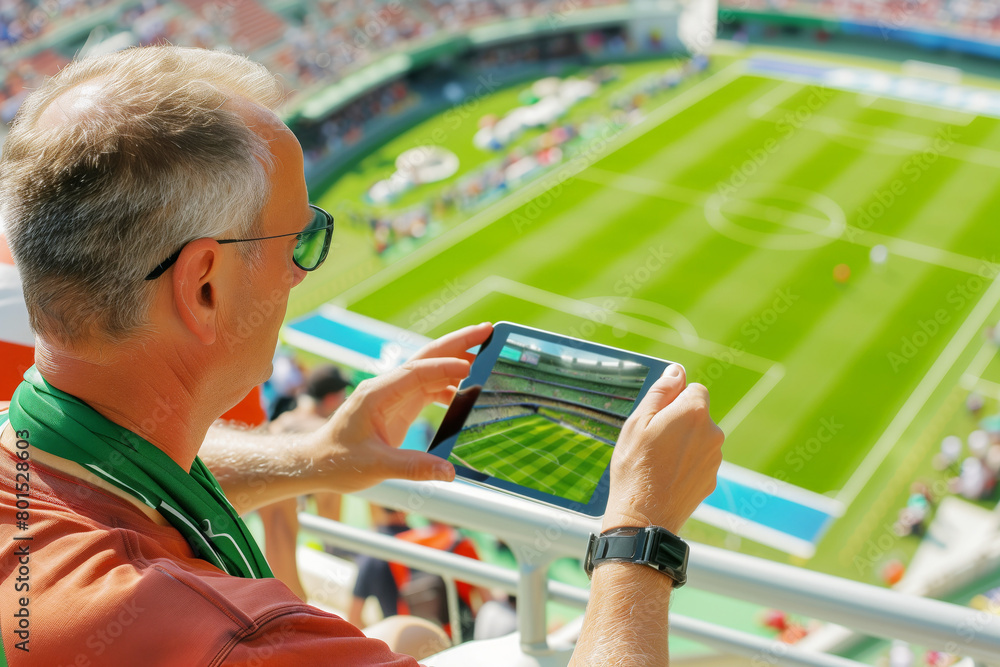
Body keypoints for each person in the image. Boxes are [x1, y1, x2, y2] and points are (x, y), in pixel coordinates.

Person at [0, 46, 723, 665]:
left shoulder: (27, 445)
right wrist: (640, 534)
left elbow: (121, 479)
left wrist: (317, 459)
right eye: (300, 241)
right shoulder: (233, 638)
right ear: (206, 286)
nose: (299, 273)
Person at [258, 364, 352, 600]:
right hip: (287, 502)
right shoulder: (324, 432)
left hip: (264, 499)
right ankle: (336, 550)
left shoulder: (281, 421)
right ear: (331, 399)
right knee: (333, 484)